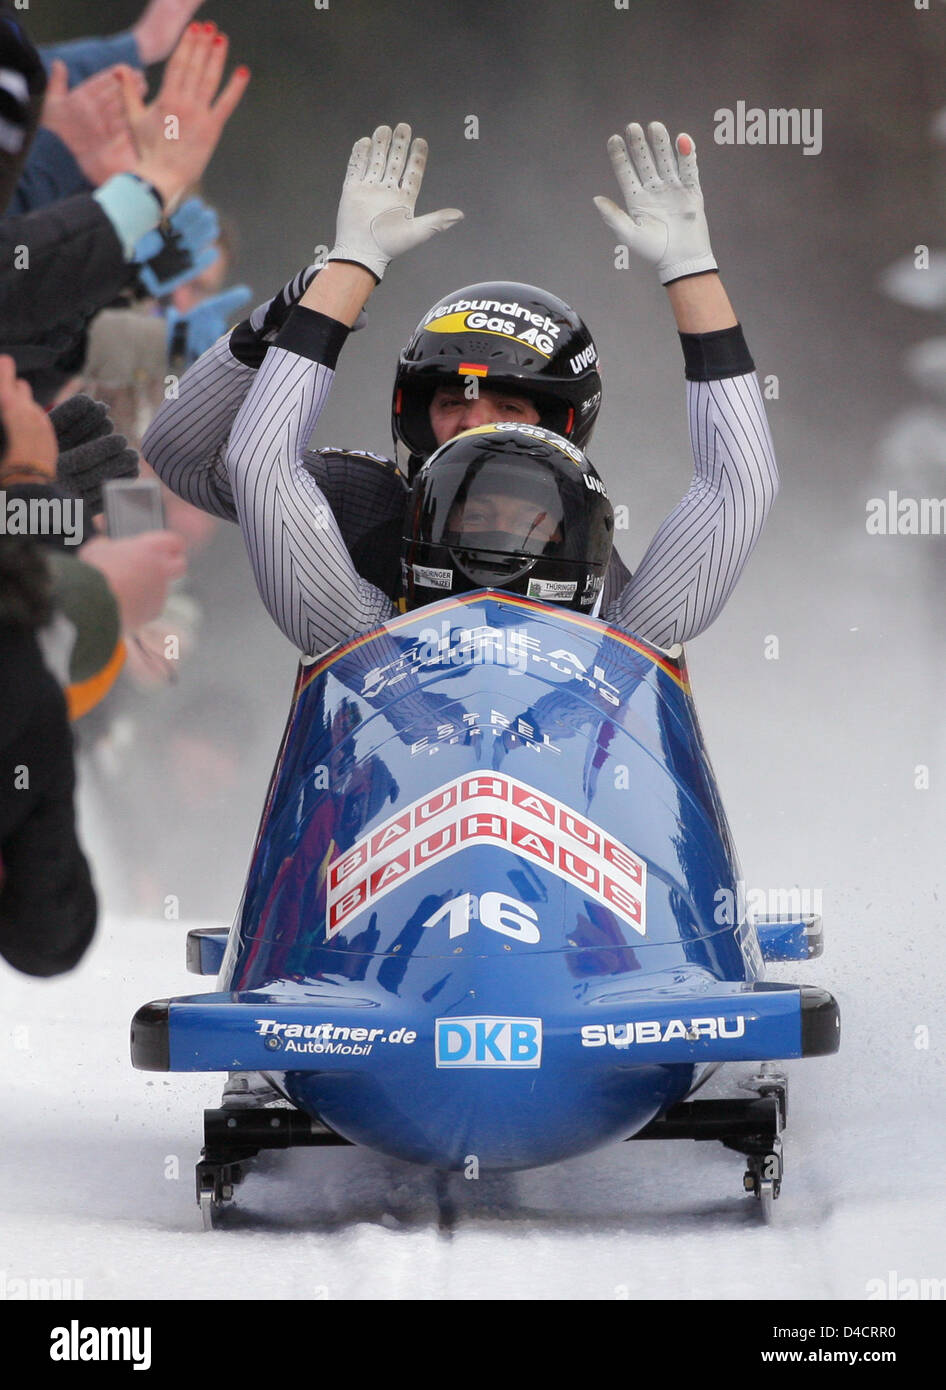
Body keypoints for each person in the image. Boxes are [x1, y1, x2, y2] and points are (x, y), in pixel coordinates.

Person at [147, 119, 776, 657]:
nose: (475, 426)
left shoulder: (608, 606)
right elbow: (194, 456)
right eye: (453, 401)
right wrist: (316, 294)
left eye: (507, 406)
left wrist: (690, 268)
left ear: (561, 426)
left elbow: (739, 488)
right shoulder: (361, 528)